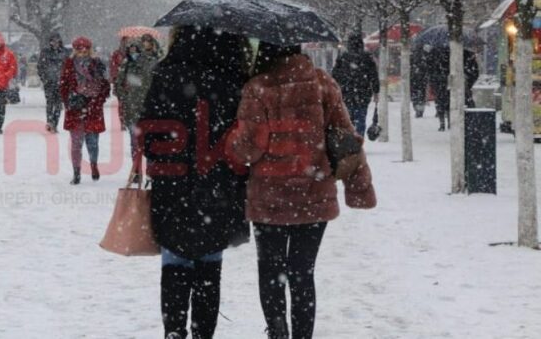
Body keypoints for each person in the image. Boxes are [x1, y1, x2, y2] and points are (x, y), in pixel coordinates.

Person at [227, 42, 377, 339]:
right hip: (314, 195)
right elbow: (346, 138)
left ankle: (278, 331)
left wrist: (233, 140)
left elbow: (249, 148)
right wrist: (359, 187)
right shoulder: (323, 83)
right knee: (302, 272)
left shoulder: (258, 88)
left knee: (271, 271)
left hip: (269, 198)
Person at [139, 26, 249, 339]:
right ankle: (203, 334)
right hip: (219, 186)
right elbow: (243, 140)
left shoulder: (166, 75)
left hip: (173, 184)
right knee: (209, 267)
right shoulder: (235, 80)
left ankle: (174, 330)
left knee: (175, 261)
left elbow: (148, 135)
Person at [59, 36, 110, 184]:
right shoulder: (68, 65)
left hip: (94, 108)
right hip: (75, 108)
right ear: (75, 50)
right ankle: (77, 172)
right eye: (79, 48)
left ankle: (94, 165)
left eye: (86, 48)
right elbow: (63, 85)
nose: (83, 51)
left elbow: (105, 86)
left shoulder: (97, 64)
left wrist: (97, 99)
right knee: (76, 143)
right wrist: (69, 101)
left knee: (93, 142)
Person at [114, 39, 159, 179]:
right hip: (132, 108)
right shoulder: (125, 64)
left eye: (135, 49)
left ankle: (151, 171)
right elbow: (117, 84)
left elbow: (155, 81)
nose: (133, 52)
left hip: (148, 108)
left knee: (150, 142)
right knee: (135, 143)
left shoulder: (150, 62)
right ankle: (136, 171)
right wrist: (125, 95)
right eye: (130, 49)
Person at [331, 32, 380, 136]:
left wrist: (340, 85)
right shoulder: (367, 58)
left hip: (346, 93)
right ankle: (359, 139)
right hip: (363, 94)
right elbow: (374, 76)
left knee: (347, 119)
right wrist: (376, 91)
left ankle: (349, 140)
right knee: (361, 118)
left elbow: (334, 75)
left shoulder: (343, 57)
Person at [429, 46, 481, 131]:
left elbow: (432, 71)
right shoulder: (466, 55)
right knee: (464, 104)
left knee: (443, 103)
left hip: (446, 85)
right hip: (458, 86)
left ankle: (445, 124)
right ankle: (465, 123)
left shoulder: (437, 54)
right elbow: (474, 72)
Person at [37, 32, 69, 133]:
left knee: (58, 105)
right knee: (50, 103)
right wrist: (44, 78)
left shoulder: (65, 52)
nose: (55, 42)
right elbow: (40, 66)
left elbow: (68, 67)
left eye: (57, 40)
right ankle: (50, 122)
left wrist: (66, 79)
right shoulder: (45, 52)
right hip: (49, 82)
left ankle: (55, 123)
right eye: (53, 40)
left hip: (61, 82)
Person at [109, 37, 129, 131]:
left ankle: (128, 121)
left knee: (130, 104)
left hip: (131, 82)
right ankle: (123, 122)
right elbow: (113, 67)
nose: (125, 44)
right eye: (124, 42)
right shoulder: (116, 54)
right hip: (120, 82)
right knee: (122, 104)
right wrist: (115, 78)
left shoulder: (133, 53)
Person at [410, 44, 429, 118]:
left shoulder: (412, 55)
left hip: (415, 79)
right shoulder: (425, 55)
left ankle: (417, 108)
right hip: (421, 79)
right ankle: (420, 109)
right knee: (421, 95)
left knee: (415, 95)